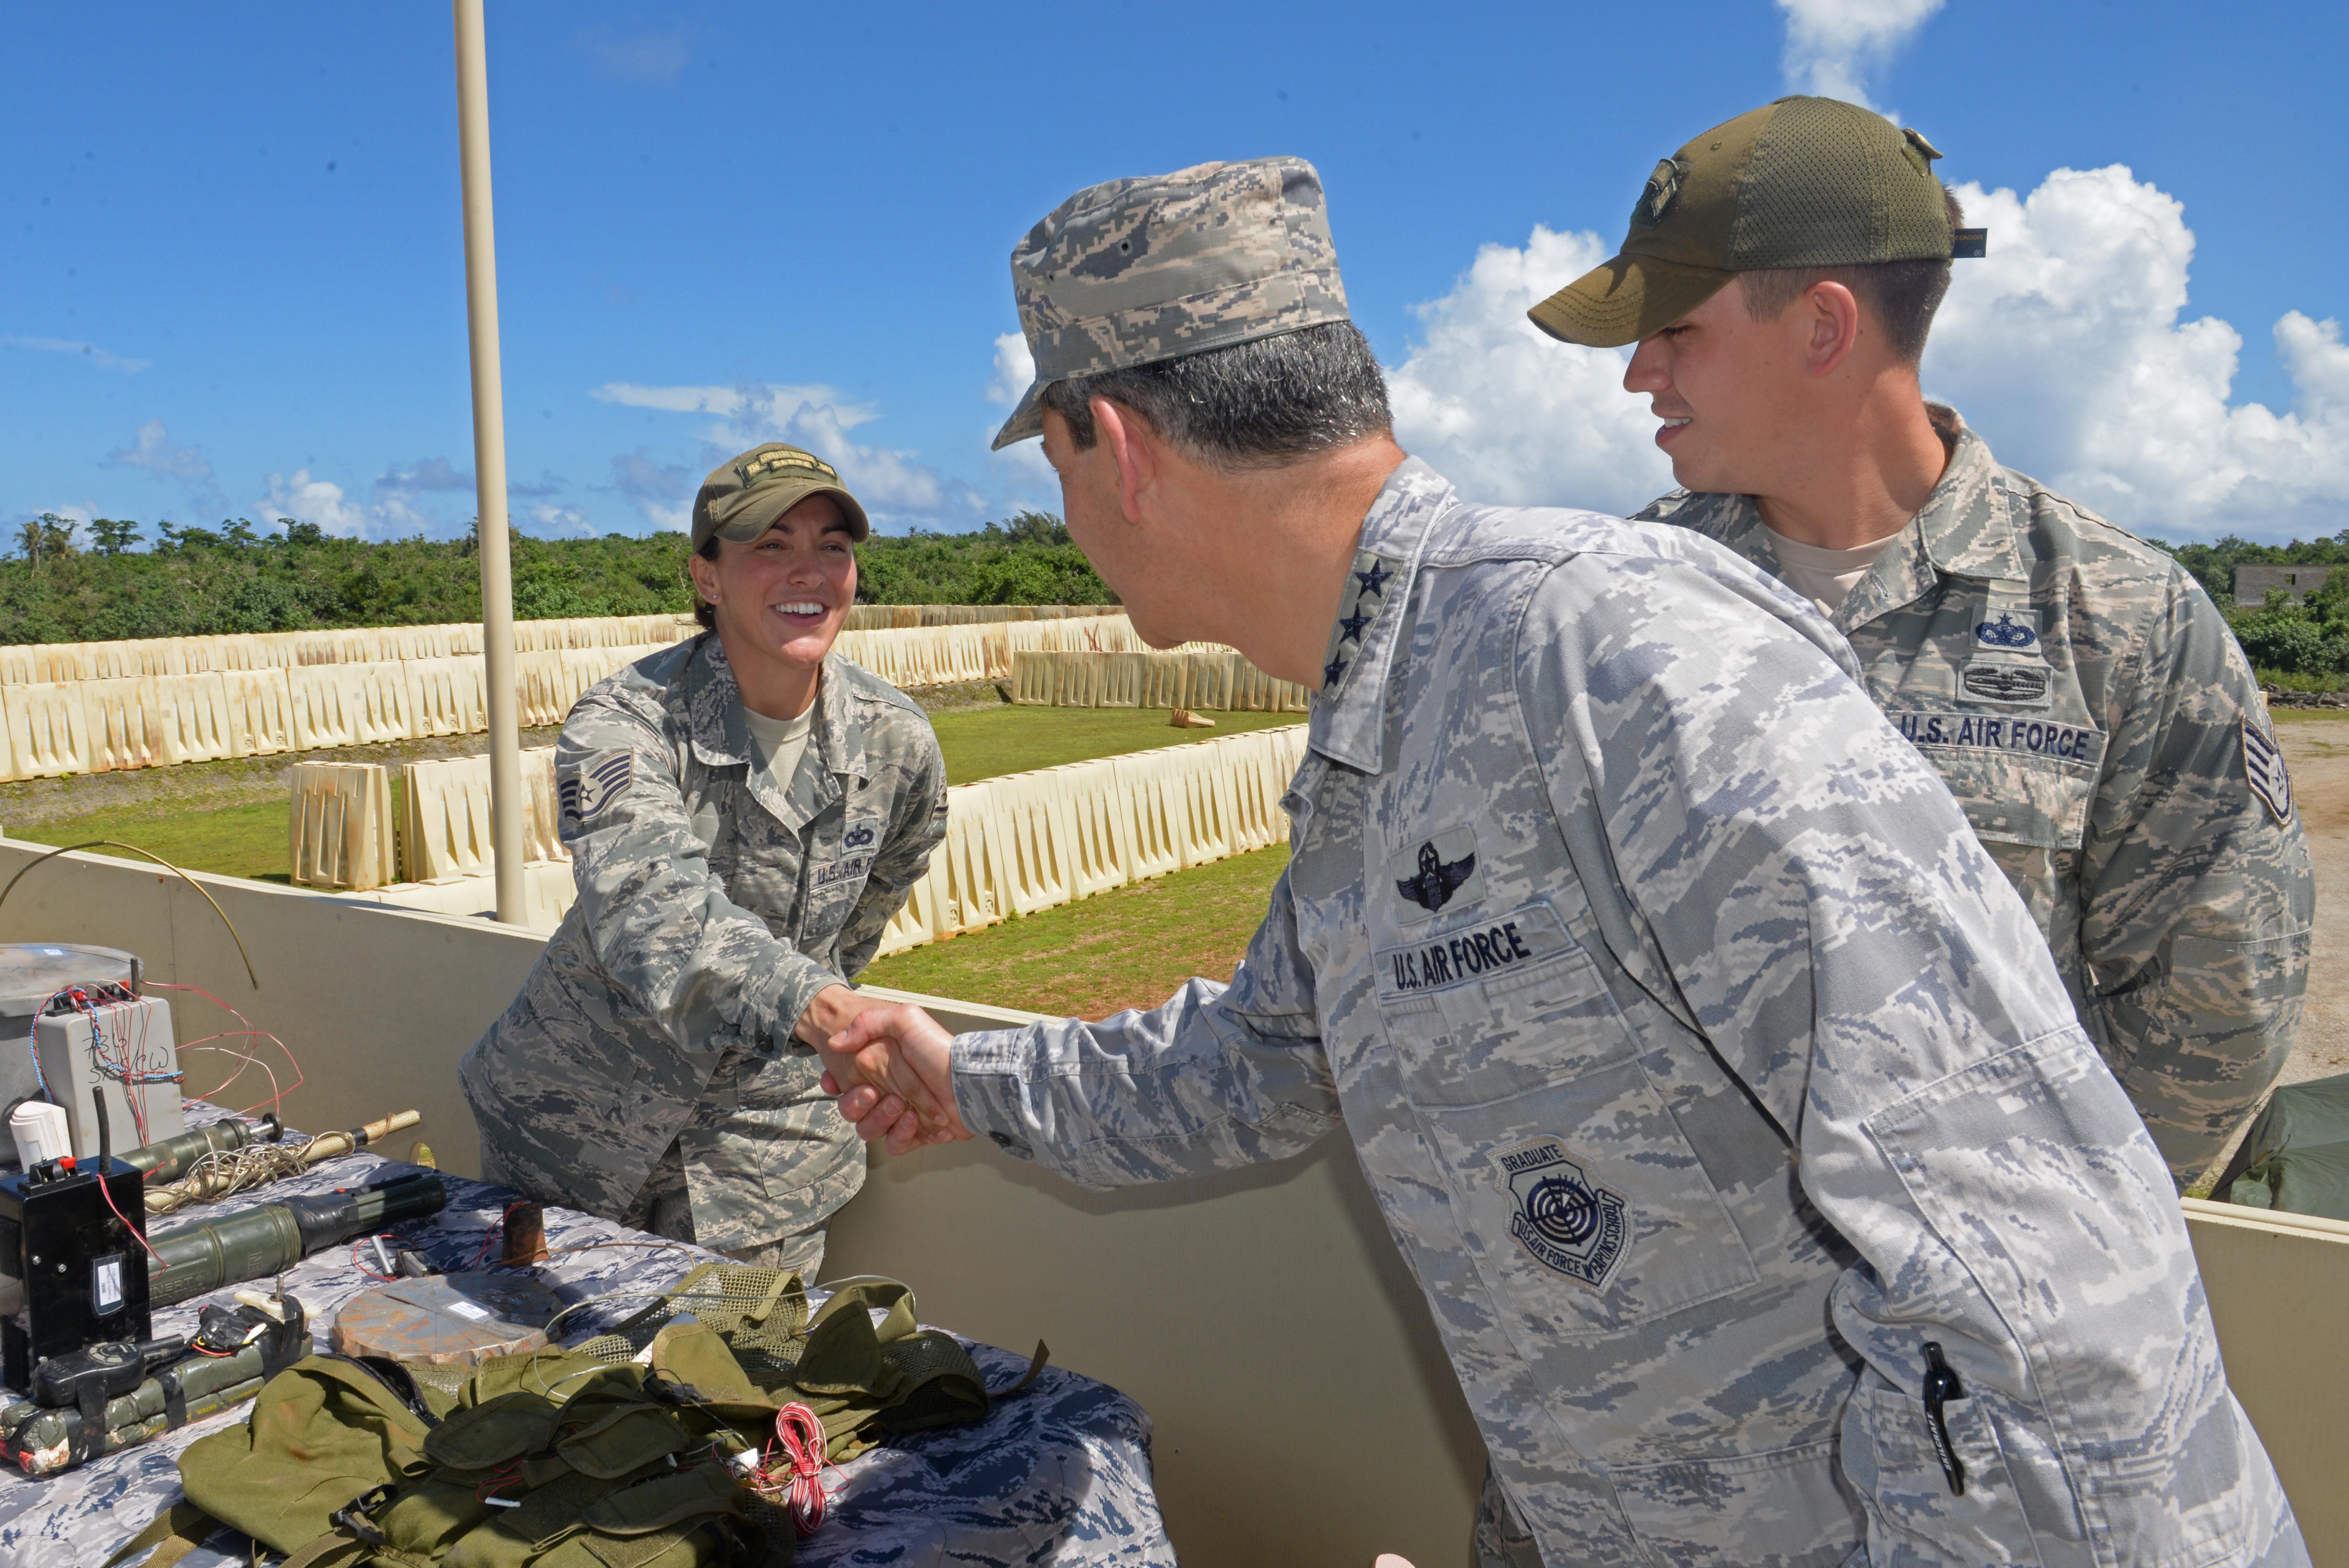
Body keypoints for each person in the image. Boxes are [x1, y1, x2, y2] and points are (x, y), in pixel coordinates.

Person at [817, 157, 2303, 1566]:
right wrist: (966, 1075)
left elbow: (2030, 1273)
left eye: (1055, 460)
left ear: (1117, 450)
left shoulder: (1608, 656)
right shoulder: (1384, 719)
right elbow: (1253, 1064)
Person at [1524, 95, 2313, 1188]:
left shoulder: (2123, 628)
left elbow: (2214, 1017)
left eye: (1677, 332)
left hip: (2008, 1318)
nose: (1638, 374)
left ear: (1823, 328)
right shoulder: (1620, 605)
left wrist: (2045, 1262)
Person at [460, 442, 948, 1280]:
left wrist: (818, 1009)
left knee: (733, 1389)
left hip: (766, 1167)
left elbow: (864, 914)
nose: (810, 572)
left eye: (832, 546)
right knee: (556, 1387)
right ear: (706, 577)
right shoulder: (623, 724)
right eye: (771, 545)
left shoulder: (897, 743)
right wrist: (826, 1015)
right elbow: (649, 903)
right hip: (571, 1137)